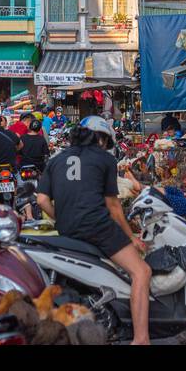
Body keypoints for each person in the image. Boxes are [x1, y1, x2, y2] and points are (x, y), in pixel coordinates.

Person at [36, 116, 151, 345]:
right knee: (142, 272)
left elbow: (41, 200)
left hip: (66, 231)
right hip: (97, 227)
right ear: (102, 138)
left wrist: (62, 217)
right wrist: (132, 238)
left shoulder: (57, 159)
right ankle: (142, 339)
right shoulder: (104, 159)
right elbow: (114, 207)